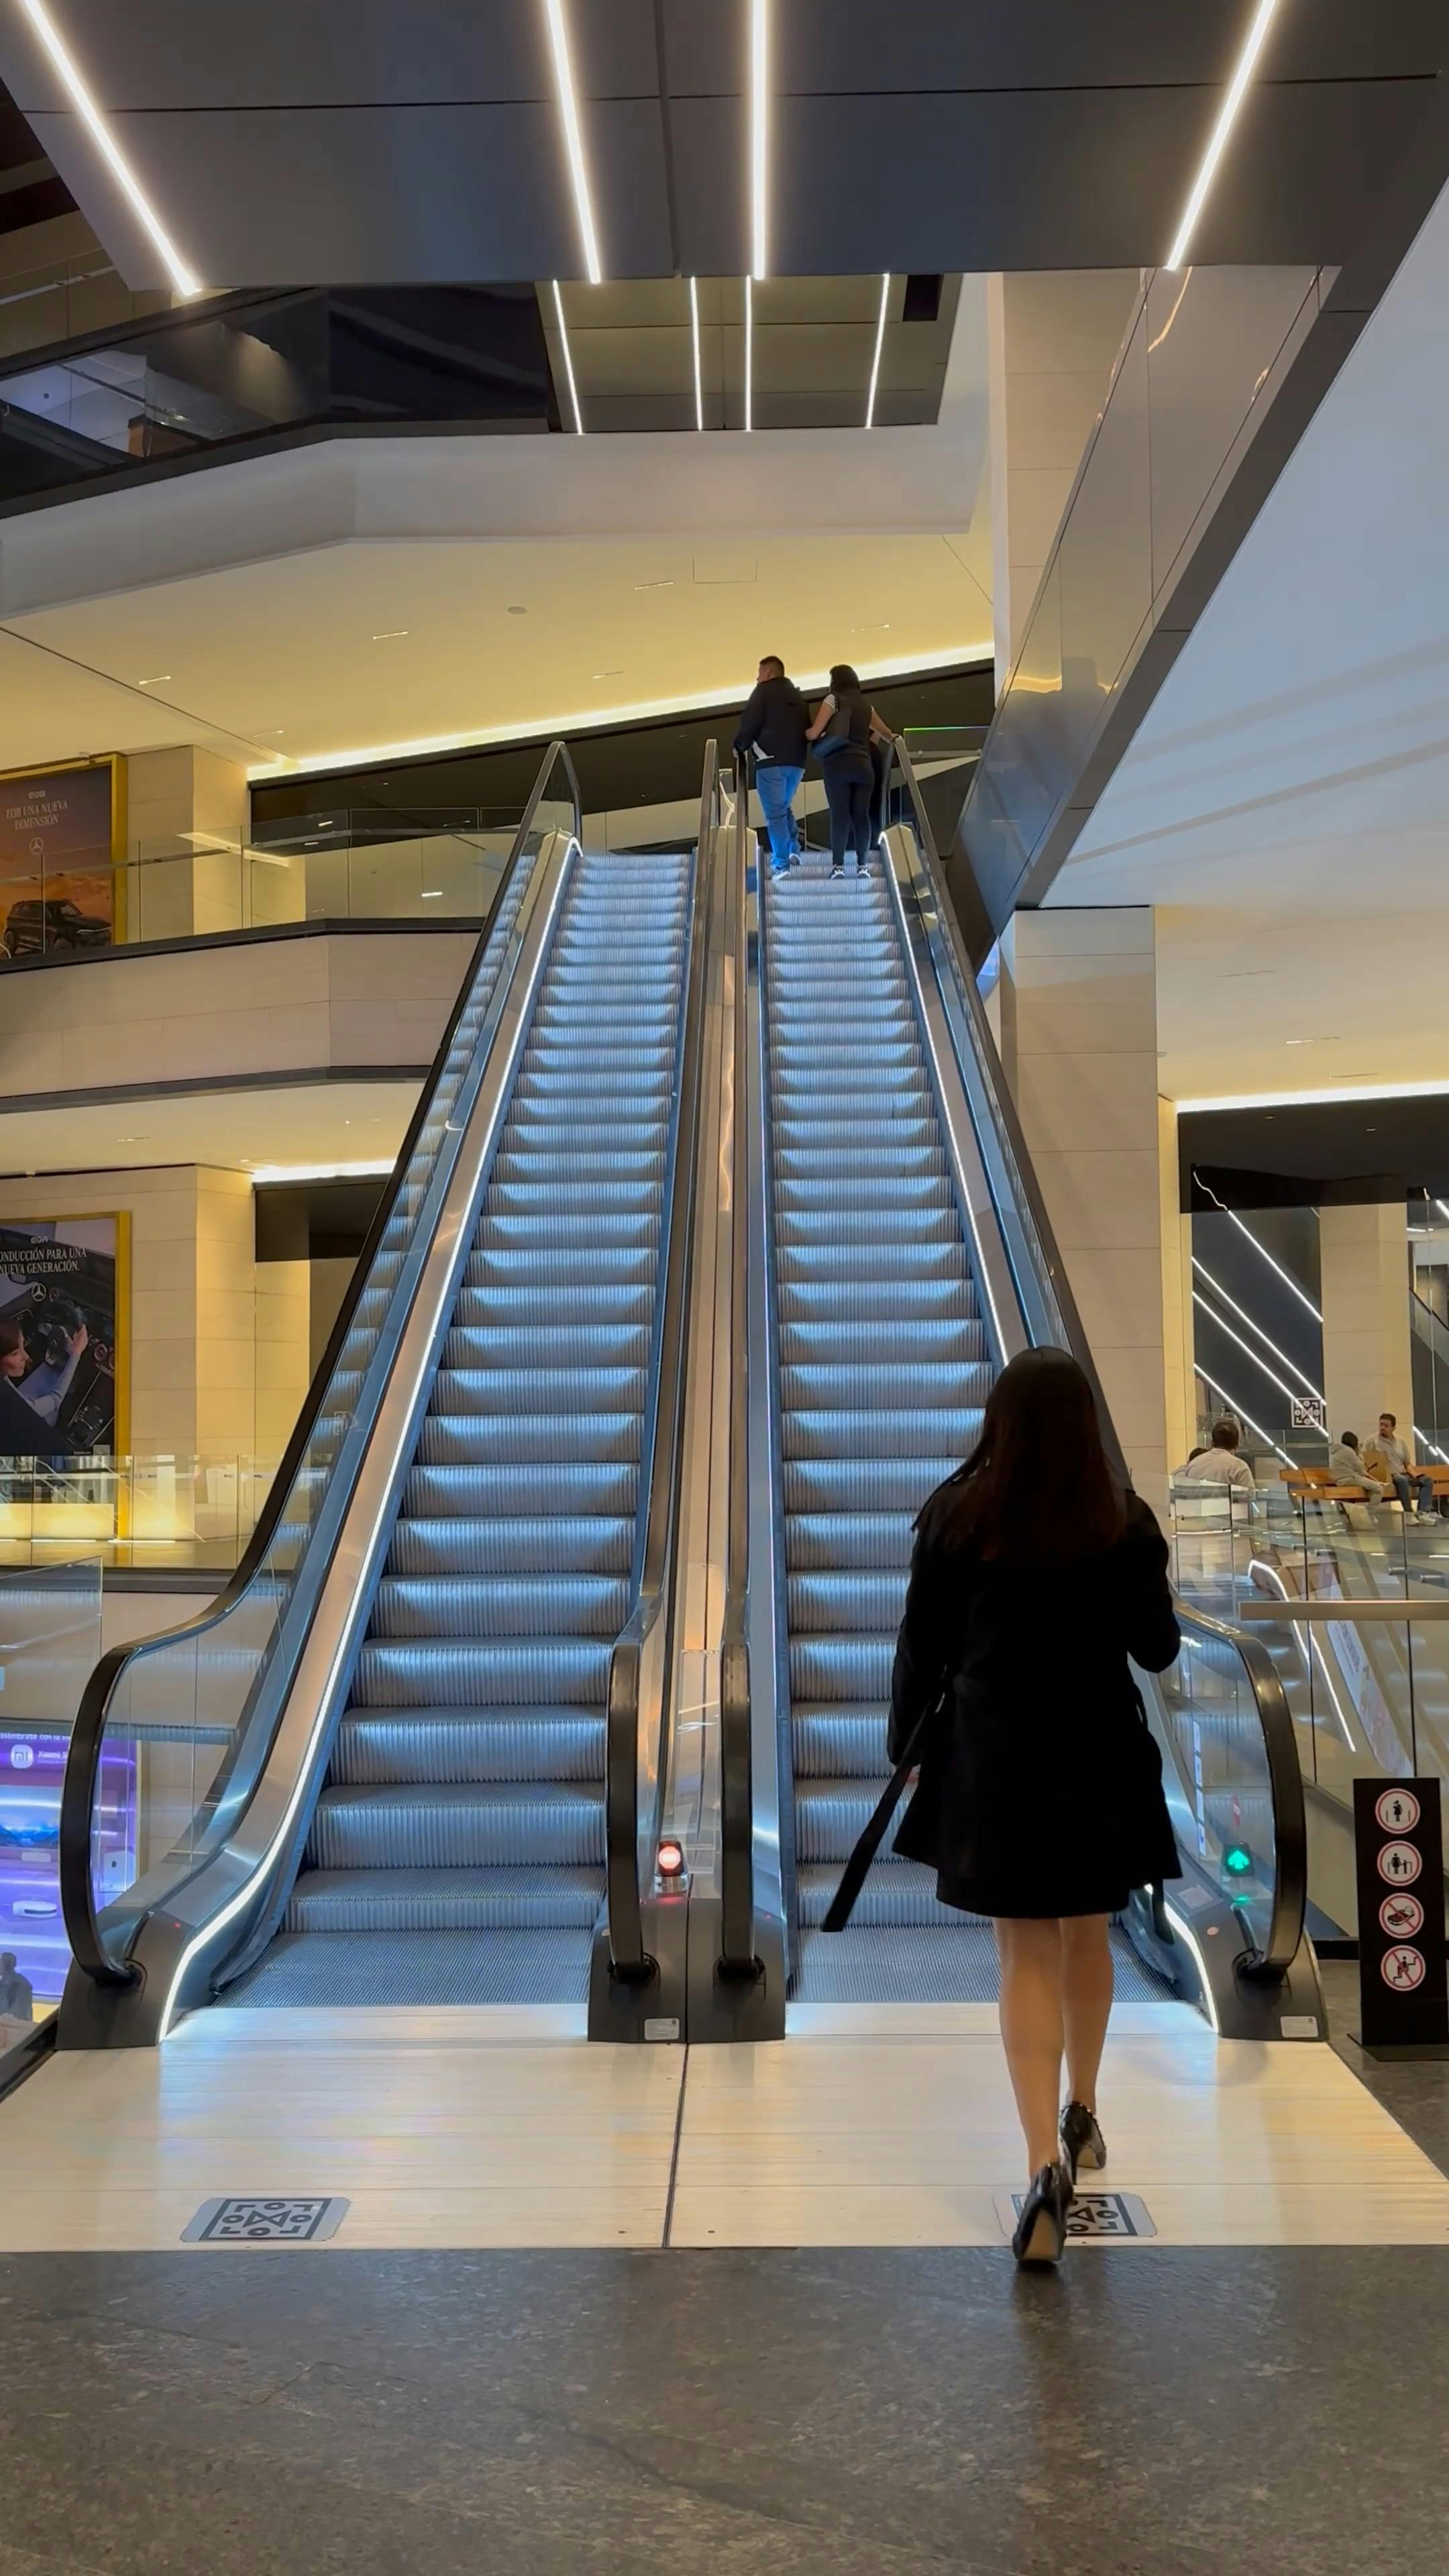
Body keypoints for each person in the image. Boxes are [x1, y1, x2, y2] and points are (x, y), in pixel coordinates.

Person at [888, 1347, 1180, 2267]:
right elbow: (1160, 1651)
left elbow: (919, 1648)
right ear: (1085, 1422)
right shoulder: (1119, 1520)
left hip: (994, 1757)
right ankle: (1083, 2110)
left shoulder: (955, 1517)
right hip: (1096, 1753)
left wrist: (905, 1750)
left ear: (1000, 1419)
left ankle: (1037, 2171)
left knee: (1021, 1952)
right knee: (1085, 1934)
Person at [804, 663, 893, 878]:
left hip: (838, 767)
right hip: (864, 767)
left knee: (840, 816)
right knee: (861, 816)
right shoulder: (866, 705)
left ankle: (838, 867)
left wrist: (803, 733)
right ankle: (863, 866)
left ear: (835, 681)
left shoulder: (833, 699)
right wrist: (896, 740)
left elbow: (814, 733)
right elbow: (887, 734)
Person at [733, 655, 807, 875]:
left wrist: (739, 745)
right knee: (783, 807)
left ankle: (781, 864)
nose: (757, 678)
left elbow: (751, 721)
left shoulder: (763, 692)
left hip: (769, 760)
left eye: (759, 673)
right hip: (797, 763)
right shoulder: (798, 697)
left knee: (775, 814)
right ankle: (794, 848)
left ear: (768, 673)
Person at [0, 1319, 80, 1457]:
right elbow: (55, 1399)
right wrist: (76, 1354)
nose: (25, 1356)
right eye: (15, 1354)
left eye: (23, 1346)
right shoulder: (8, 1402)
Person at [1366, 1411, 1436, 1518]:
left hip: (1402, 1472)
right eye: (1381, 1425)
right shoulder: (1372, 1441)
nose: (1382, 1428)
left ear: (1393, 1427)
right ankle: (1409, 1513)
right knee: (1402, 1480)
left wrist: (1414, 1474)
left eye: (1386, 1425)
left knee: (1427, 1480)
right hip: (1387, 1475)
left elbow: (1407, 1463)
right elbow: (1368, 1462)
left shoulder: (1401, 1442)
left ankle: (1423, 1512)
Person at [1175, 1417, 1255, 1496]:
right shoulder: (1239, 1467)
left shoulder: (1194, 1464)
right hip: (1227, 1509)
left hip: (1195, 1509)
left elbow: (1187, 1496)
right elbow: (1249, 1500)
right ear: (1237, 1445)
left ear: (1212, 1442)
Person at [1328, 1430, 1389, 1502]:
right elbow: (1361, 1468)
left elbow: (1361, 1471)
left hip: (1341, 1480)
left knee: (1374, 1486)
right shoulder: (1349, 1451)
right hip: (1349, 1480)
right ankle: (1371, 1510)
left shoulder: (1338, 1451)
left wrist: (1373, 1479)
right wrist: (1359, 1453)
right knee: (1378, 1489)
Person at [0, 1951, 34, 2022]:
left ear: (4, 1965)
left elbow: (22, 2013)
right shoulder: (24, 1983)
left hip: (11, 2025)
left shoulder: (21, 1985)